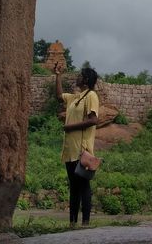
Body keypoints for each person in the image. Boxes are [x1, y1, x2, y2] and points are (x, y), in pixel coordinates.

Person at [54, 62, 99, 227]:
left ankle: (85, 223)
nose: (77, 77)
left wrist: (69, 127)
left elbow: (93, 120)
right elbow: (59, 96)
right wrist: (58, 75)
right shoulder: (75, 97)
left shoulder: (91, 96)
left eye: (80, 75)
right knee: (73, 186)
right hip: (70, 150)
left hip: (82, 150)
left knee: (83, 185)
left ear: (86, 80)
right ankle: (72, 223)